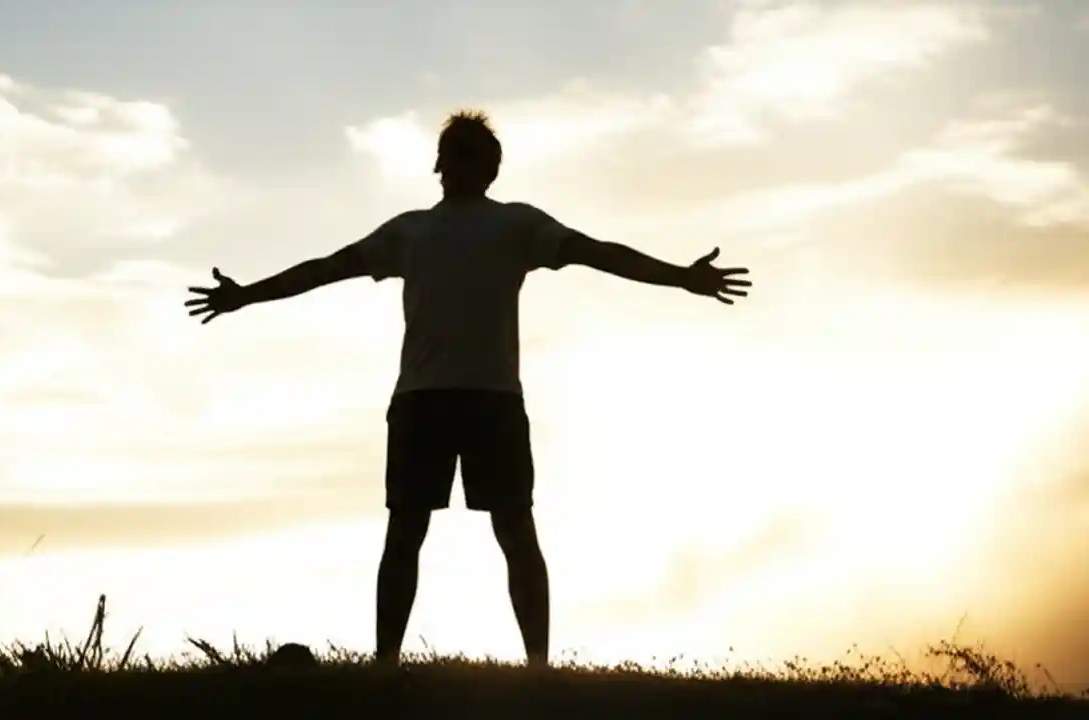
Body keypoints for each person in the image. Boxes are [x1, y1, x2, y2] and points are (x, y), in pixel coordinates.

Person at [184, 109, 751, 667]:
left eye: (472, 154)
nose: (458, 163)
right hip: (422, 401)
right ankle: (387, 666)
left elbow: (598, 253)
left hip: (493, 400)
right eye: (453, 152)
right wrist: (245, 295)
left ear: (491, 169)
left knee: (515, 530)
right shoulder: (409, 232)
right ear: (438, 164)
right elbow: (326, 268)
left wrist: (681, 276)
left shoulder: (518, 225)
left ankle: (538, 669)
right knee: (405, 531)